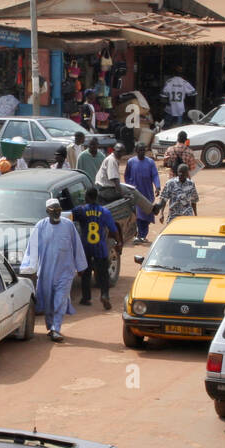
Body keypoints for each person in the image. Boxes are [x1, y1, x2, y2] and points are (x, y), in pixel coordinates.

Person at [20, 198, 86, 342]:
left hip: (65, 271)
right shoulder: (40, 226)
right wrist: (28, 267)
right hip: (46, 272)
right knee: (48, 301)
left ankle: (56, 328)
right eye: (53, 210)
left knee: (60, 299)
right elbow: (32, 248)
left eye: (58, 210)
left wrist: (80, 267)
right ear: (47, 212)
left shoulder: (68, 225)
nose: (56, 212)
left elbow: (77, 245)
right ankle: (51, 327)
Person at [73, 186, 121, 310]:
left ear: (87, 197)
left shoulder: (81, 210)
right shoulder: (105, 212)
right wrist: (119, 241)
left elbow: (69, 215)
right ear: (96, 197)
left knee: (86, 272)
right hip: (100, 247)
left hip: (86, 247)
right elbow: (113, 229)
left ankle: (86, 298)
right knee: (103, 273)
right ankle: (104, 295)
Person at [96, 142, 154, 217]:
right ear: (113, 151)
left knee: (132, 190)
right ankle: (151, 209)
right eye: (118, 152)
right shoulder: (112, 160)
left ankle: (150, 209)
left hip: (106, 187)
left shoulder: (113, 158)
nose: (120, 154)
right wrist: (123, 195)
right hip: (106, 190)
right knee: (133, 194)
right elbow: (115, 179)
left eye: (121, 152)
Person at [124, 143, 160, 244]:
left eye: (143, 150)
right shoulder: (131, 162)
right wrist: (129, 186)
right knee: (138, 215)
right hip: (135, 193)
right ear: (136, 151)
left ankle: (142, 234)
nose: (142, 152)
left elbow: (155, 175)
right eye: (140, 150)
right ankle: (141, 235)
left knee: (147, 214)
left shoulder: (150, 162)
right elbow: (127, 175)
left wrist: (157, 187)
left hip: (147, 192)